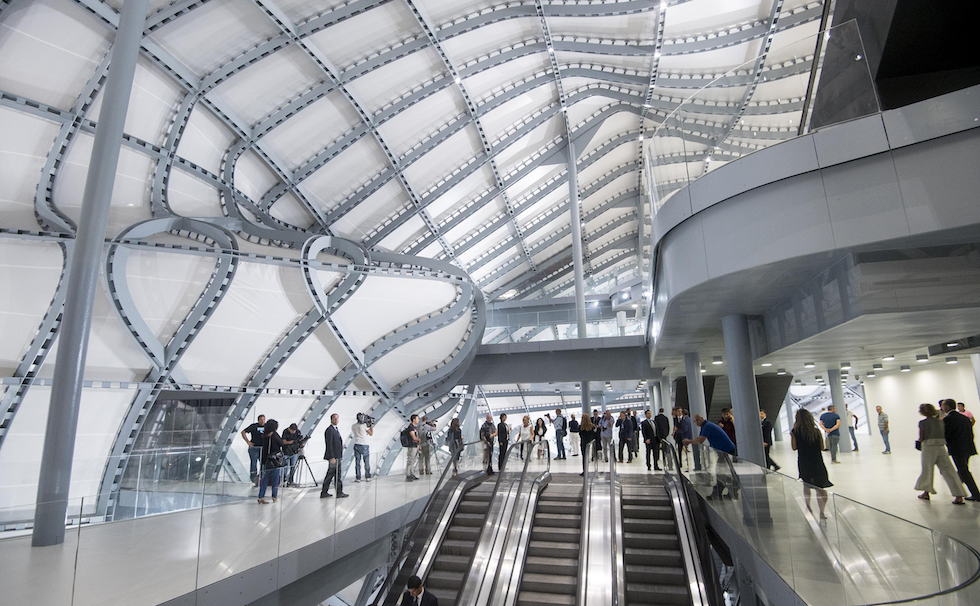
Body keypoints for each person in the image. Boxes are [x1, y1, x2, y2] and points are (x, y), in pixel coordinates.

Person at [915, 403, 967, 504]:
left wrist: (919, 443)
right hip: (941, 446)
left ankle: (926, 492)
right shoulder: (940, 422)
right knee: (949, 471)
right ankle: (959, 495)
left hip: (928, 447)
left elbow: (922, 437)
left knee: (927, 470)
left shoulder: (922, 423)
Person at [792, 409, 833, 521]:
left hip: (804, 462)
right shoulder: (816, 431)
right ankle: (822, 512)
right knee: (820, 487)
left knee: (806, 485)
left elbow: (794, 447)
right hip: (817, 462)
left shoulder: (795, 431)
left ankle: (808, 506)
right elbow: (822, 447)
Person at [940, 400, 980, 501]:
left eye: (943, 406)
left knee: (963, 471)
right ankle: (959, 489)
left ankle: (975, 494)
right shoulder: (964, 418)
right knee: (963, 470)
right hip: (968, 447)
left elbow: (946, 435)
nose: (942, 408)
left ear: (947, 407)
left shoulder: (948, 419)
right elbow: (970, 433)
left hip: (957, 449)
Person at [320, 414, 348, 498]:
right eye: (334, 418)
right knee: (331, 474)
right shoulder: (329, 430)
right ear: (331, 420)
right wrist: (332, 457)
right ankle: (325, 492)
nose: (336, 420)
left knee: (336, 474)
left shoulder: (335, 429)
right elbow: (329, 444)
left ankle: (337, 492)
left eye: (337, 418)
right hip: (334, 457)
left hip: (337, 456)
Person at [258, 419, 284, 504]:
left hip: (266, 460)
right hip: (274, 460)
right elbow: (281, 444)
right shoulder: (274, 435)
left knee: (265, 479)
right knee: (275, 479)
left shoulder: (265, 435)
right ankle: (274, 496)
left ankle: (261, 496)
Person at [241, 414, 266, 486]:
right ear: (258, 420)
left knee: (263, 464)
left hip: (263, 448)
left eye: (263, 420)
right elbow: (243, 432)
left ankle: (261, 477)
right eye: (261, 420)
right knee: (253, 463)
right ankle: (253, 478)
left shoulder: (267, 427)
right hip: (254, 447)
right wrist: (248, 442)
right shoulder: (253, 426)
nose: (262, 421)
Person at [351, 414, 373, 483]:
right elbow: (371, 433)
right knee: (366, 462)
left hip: (356, 444)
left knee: (357, 462)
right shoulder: (364, 426)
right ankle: (367, 477)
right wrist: (371, 425)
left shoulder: (353, 426)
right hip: (364, 445)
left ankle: (358, 478)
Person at [406, 414, 422, 481]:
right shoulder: (410, 427)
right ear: (414, 419)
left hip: (415, 446)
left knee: (413, 461)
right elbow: (413, 437)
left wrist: (419, 444)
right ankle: (408, 475)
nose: (418, 420)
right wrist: (418, 439)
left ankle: (412, 473)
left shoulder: (414, 427)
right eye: (417, 419)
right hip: (411, 446)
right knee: (410, 461)